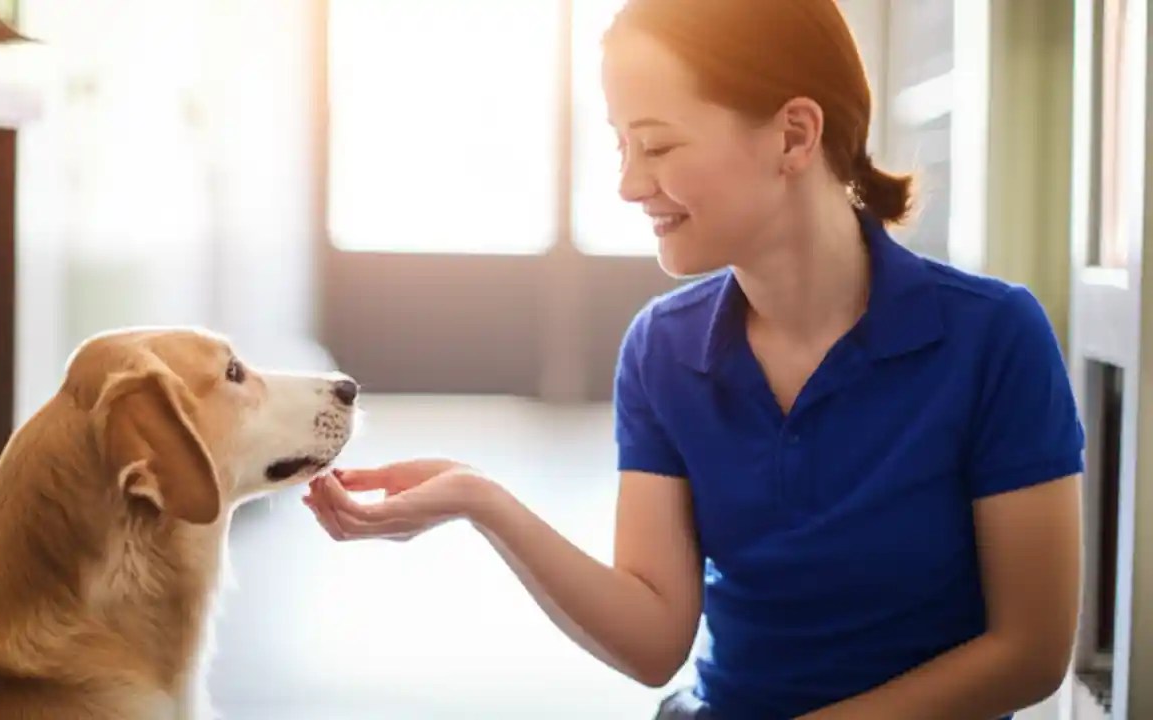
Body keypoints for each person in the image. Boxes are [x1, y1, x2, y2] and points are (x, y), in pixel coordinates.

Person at [303, 1, 1085, 718]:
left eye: (656, 144)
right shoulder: (662, 350)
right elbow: (653, 643)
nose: (628, 184)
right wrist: (482, 502)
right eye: (619, 146)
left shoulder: (994, 338)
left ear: (793, 135)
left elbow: (1030, 652)